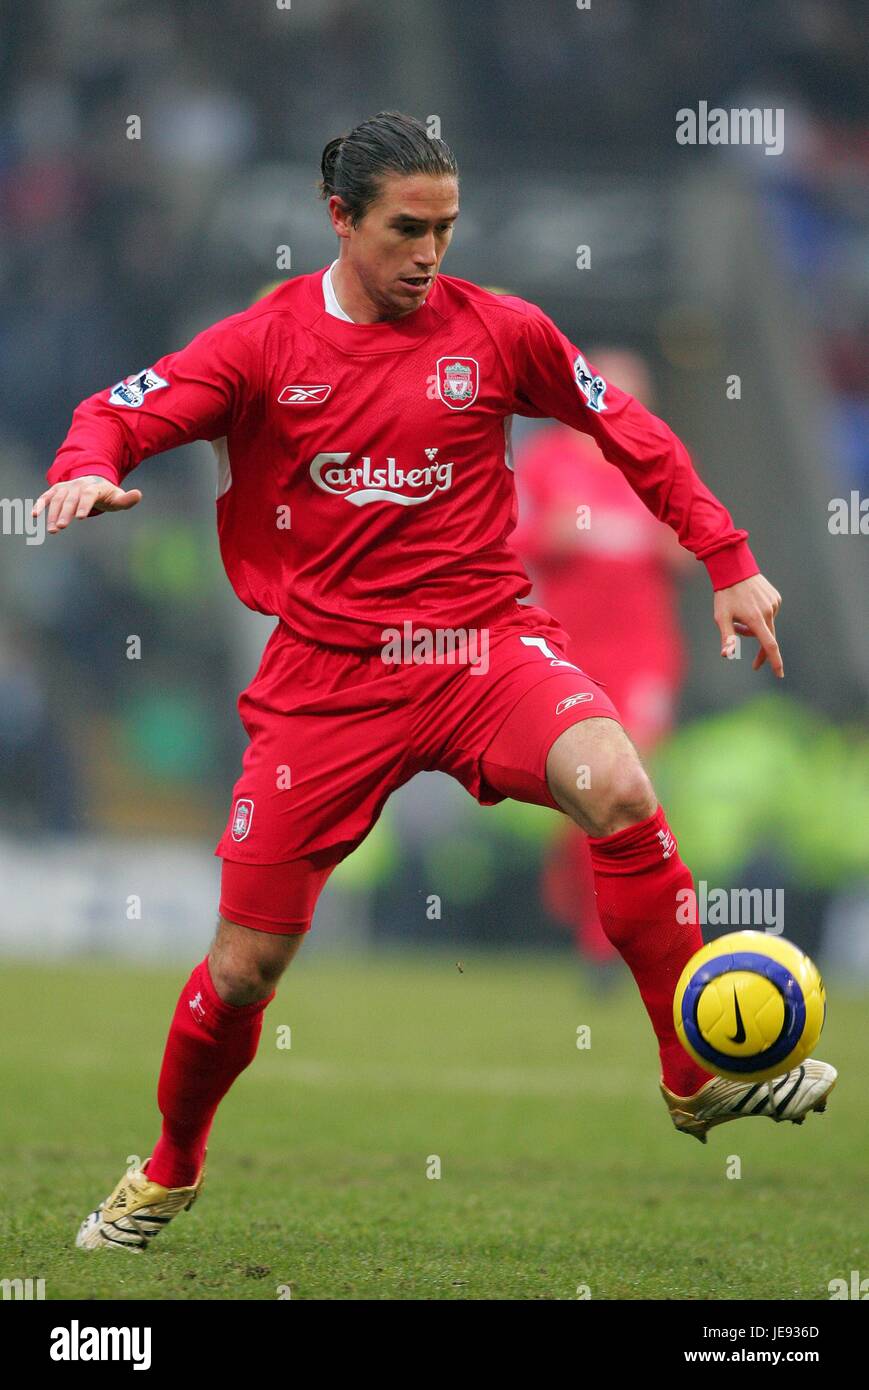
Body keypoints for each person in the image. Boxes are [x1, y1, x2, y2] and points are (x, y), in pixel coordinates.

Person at [34, 112, 835, 1253]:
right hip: (326, 680)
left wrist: (728, 560)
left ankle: (689, 1072)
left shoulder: (499, 332)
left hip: (479, 649)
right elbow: (117, 410)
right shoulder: (262, 345)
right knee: (246, 966)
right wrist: (85, 473)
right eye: (406, 229)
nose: (428, 253)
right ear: (339, 221)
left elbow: (631, 432)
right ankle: (167, 1169)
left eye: (445, 229)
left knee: (615, 785)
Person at [512, 351, 692, 977]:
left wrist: (669, 545)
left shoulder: (654, 464)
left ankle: (601, 948)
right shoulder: (545, 463)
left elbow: (691, 545)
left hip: (644, 653)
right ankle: (573, 901)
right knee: (585, 796)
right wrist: (551, 537)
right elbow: (508, 539)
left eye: (634, 396)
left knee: (628, 784)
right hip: (569, 650)